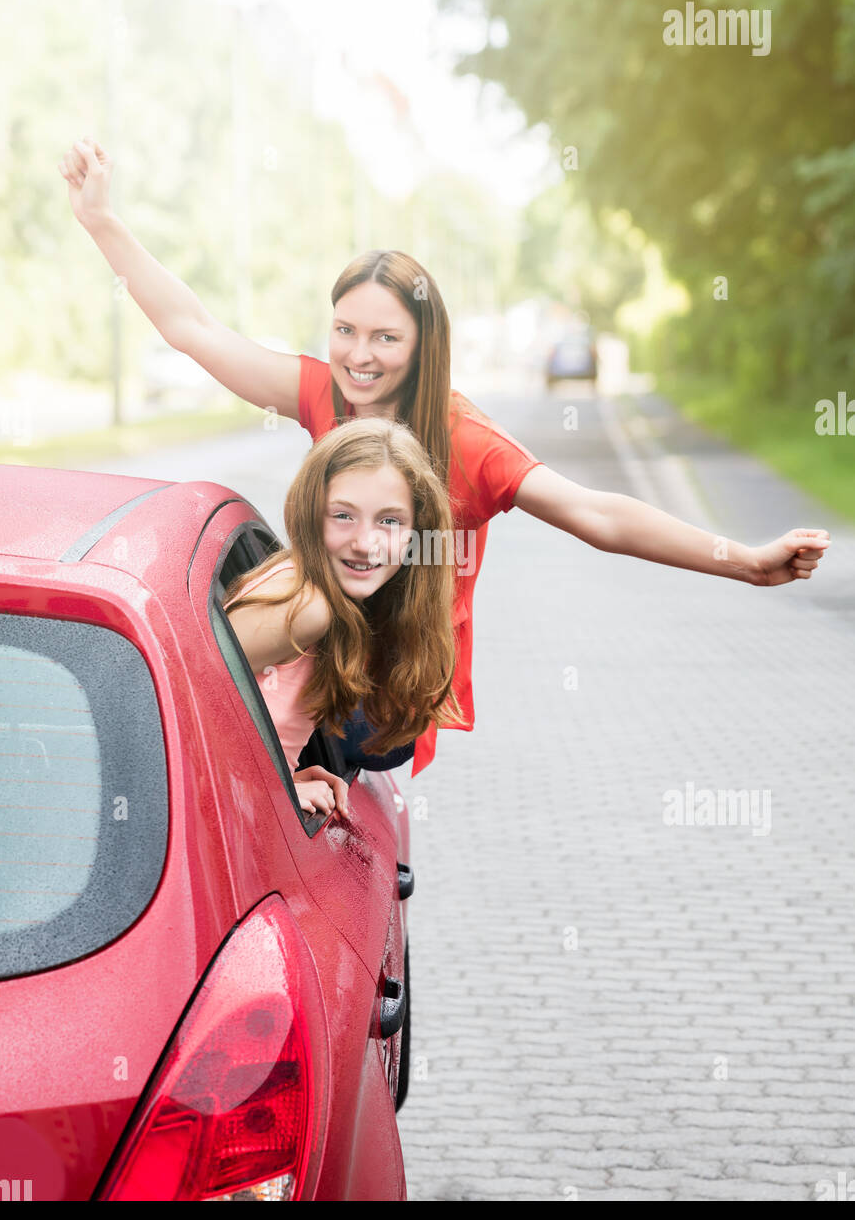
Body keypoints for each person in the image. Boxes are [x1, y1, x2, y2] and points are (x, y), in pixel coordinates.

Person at [58, 136, 832, 778]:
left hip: (382, 704)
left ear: (424, 343)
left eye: (385, 337)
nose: (359, 357)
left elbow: (597, 514)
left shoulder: (466, 441)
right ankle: (154, 692)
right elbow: (195, 330)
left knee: (313, 595)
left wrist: (745, 560)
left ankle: (207, 711)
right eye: (345, 331)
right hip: (326, 660)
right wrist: (102, 224)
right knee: (259, 565)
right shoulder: (321, 394)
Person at [221, 414, 461, 817]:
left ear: (417, 533)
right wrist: (269, 790)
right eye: (343, 515)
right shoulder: (307, 607)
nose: (365, 543)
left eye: (389, 521)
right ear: (312, 514)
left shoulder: (330, 602)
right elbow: (175, 700)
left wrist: (280, 773)